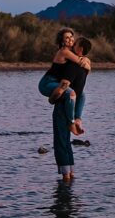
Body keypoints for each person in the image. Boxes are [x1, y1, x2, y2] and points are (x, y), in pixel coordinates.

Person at [38, 30, 92, 181]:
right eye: (66, 38)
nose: (69, 40)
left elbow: (66, 87)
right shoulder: (65, 53)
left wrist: (52, 101)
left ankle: (73, 122)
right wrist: (86, 61)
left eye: (71, 38)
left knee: (61, 140)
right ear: (62, 41)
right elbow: (84, 64)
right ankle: (76, 120)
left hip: (62, 102)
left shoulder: (72, 64)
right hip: (47, 83)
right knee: (75, 94)